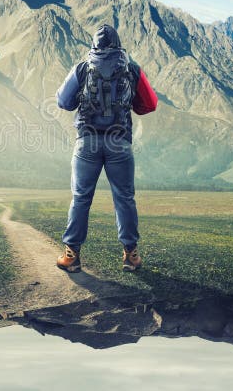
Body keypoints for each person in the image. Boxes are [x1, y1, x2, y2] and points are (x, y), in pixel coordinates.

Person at [54, 24, 158, 273]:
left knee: (81, 198)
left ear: (93, 45)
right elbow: (150, 104)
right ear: (118, 44)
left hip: (87, 142)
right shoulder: (132, 69)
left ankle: (71, 256)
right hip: (119, 143)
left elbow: (63, 102)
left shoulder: (82, 68)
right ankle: (131, 255)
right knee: (124, 199)